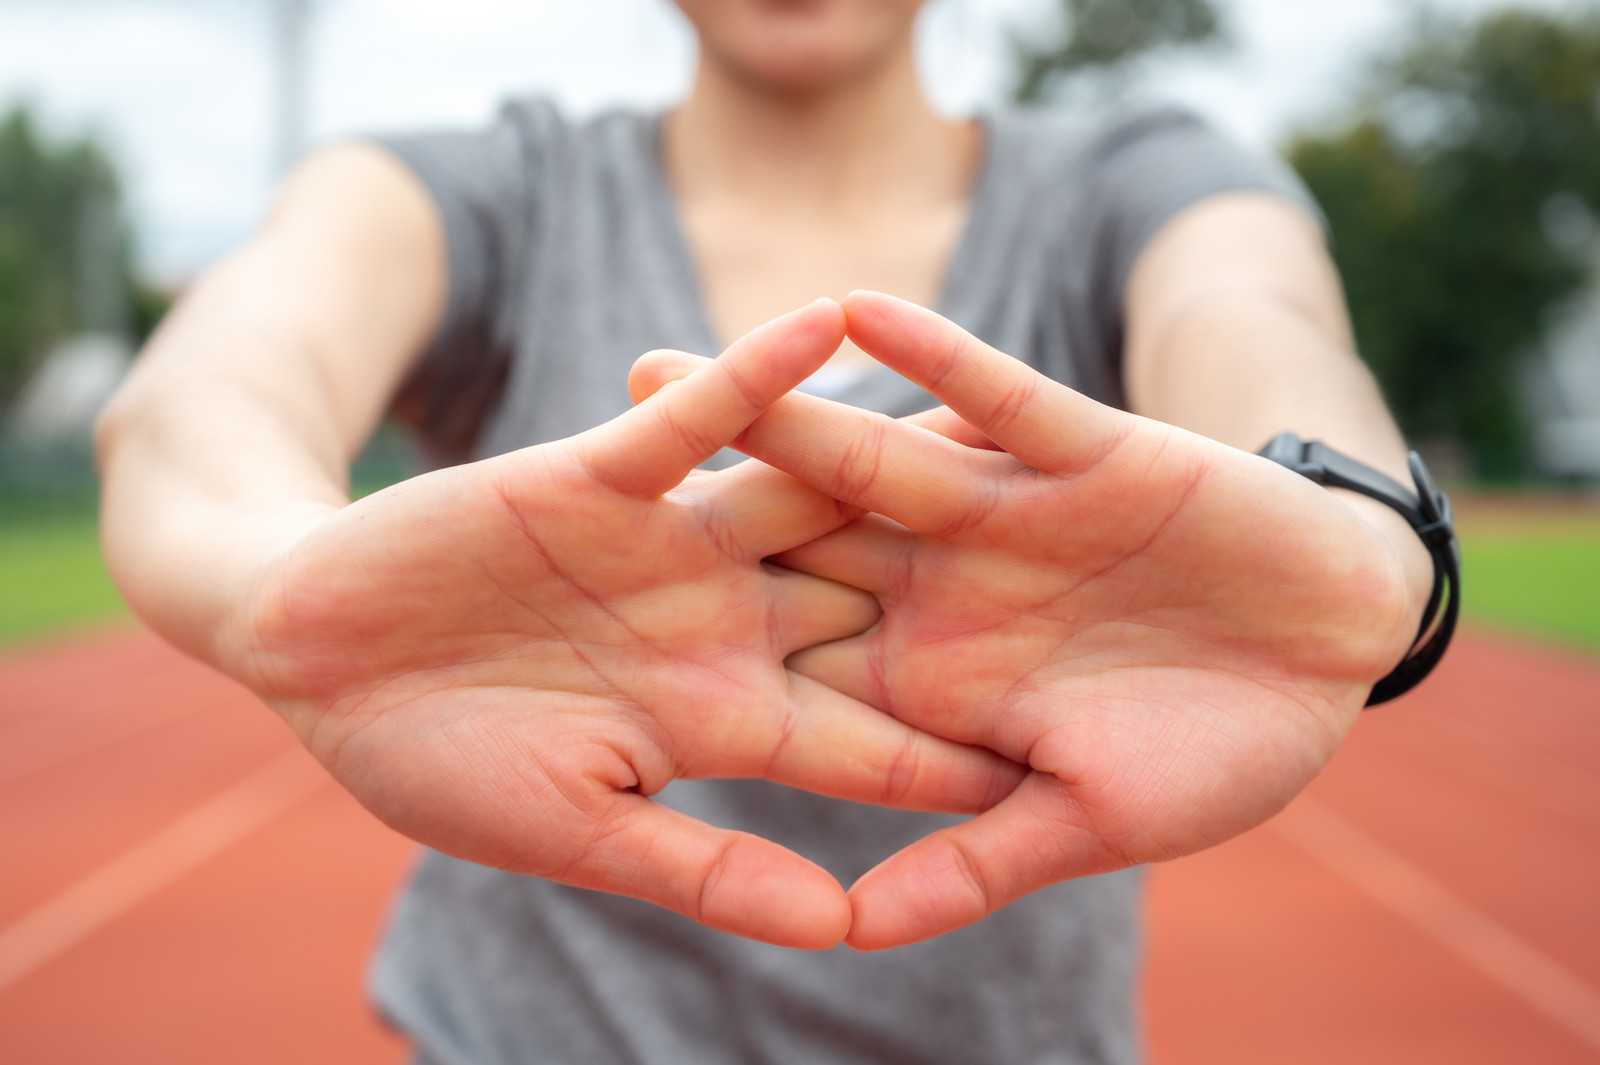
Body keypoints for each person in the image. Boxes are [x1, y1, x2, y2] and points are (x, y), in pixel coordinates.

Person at [96, 1, 1444, 1062]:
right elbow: (226, 366)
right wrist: (268, 577)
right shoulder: (494, 190)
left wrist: (1362, 537)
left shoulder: (1131, 184)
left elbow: (1255, 315)